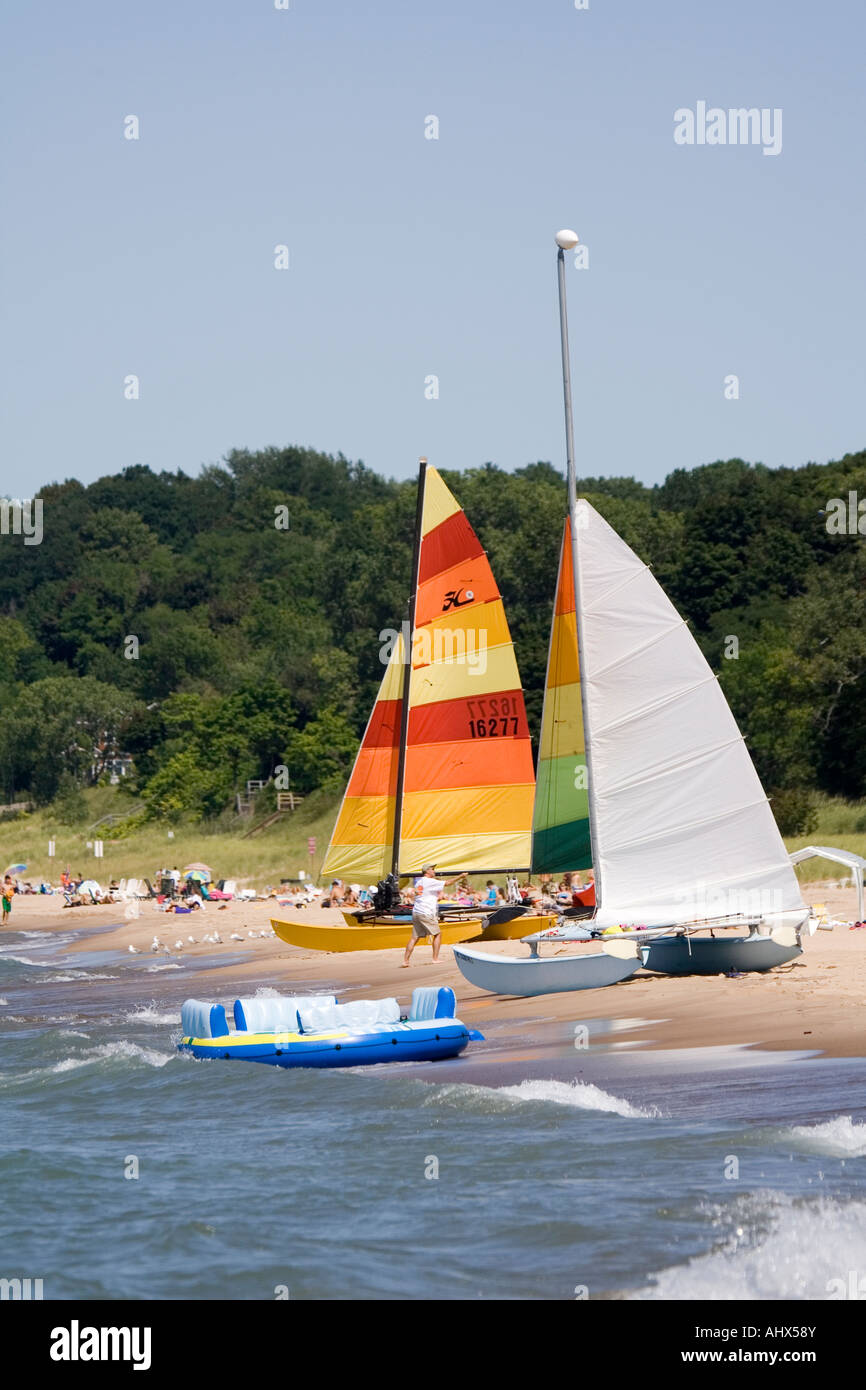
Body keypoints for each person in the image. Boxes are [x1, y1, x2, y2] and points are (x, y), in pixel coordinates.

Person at [402, 865, 461, 967]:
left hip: (417, 912)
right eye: (432, 869)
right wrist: (461, 876)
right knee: (437, 934)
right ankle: (435, 959)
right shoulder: (429, 881)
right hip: (425, 912)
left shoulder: (420, 881)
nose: (434, 871)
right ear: (427, 871)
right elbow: (447, 883)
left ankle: (405, 961)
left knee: (414, 937)